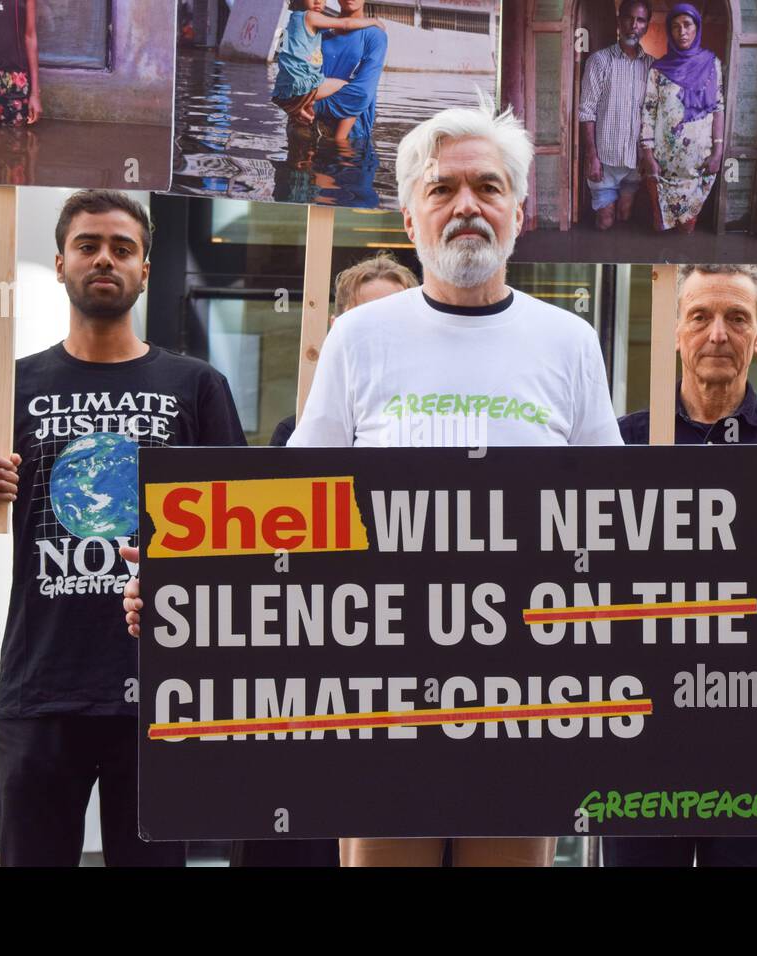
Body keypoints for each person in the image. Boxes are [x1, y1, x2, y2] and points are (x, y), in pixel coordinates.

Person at [126, 100, 624, 866]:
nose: (467, 206)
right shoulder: (361, 336)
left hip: (529, 690)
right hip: (379, 689)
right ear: (408, 215)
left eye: (488, 188)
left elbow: (624, 524)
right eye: (442, 190)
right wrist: (184, 585)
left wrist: (745, 570)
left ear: (519, 211)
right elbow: (295, 514)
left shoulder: (570, 341)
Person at [0, 190, 246, 866]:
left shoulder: (196, 387)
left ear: (145, 270)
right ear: (62, 261)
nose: (105, 258)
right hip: (40, 688)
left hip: (162, 693)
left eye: (122, 248)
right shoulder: (13, 385)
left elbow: (236, 544)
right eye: (88, 246)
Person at [607, 264, 757, 867]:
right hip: (639, 718)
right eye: (700, 317)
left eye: (736, 318)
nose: (718, 333)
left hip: (755, 722)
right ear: (675, 331)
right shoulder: (624, 442)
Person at [269, 251, 418, 447]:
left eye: (395, 318)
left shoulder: (433, 422)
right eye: (364, 320)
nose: (380, 334)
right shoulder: (295, 432)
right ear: (337, 327)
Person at [638, 3, 724, 234]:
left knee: (688, 227)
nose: (682, 31)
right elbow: (648, 111)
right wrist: (648, 156)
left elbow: (718, 108)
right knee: (659, 224)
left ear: (697, 28)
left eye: (687, 25)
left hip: (698, 166)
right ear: (670, 31)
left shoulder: (712, 64)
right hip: (663, 164)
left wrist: (717, 153)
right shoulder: (658, 70)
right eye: (675, 27)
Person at [577, 0, 654, 231]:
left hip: (635, 160)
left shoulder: (652, 67)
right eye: (629, 18)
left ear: (647, 26)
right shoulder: (599, 61)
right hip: (605, 158)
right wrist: (592, 156)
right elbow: (586, 110)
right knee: (605, 220)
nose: (634, 25)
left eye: (641, 20)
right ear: (619, 22)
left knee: (625, 214)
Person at [271, 0, 385, 139]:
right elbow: (286, 69)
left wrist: (304, 106)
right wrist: (293, 107)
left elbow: (362, 94)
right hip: (303, 125)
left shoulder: (375, 35)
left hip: (349, 135)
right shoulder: (316, 28)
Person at [315, 0, 390, 143]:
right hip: (308, 126)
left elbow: (362, 94)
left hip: (352, 136)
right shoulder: (319, 31)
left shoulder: (375, 36)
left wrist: (310, 105)